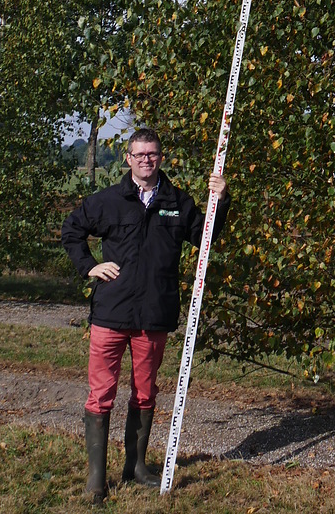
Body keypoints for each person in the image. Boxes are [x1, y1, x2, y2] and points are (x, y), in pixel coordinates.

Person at [61, 127, 230, 504]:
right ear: (128, 158)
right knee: (101, 394)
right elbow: (72, 230)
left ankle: (135, 467)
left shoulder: (177, 202)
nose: (146, 161)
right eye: (139, 155)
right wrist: (89, 265)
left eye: (152, 154)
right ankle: (96, 480)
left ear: (160, 157)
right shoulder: (108, 201)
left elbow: (206, 237)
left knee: (145, 392)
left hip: (154, 314)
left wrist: (221, 200)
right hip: (111, 313)